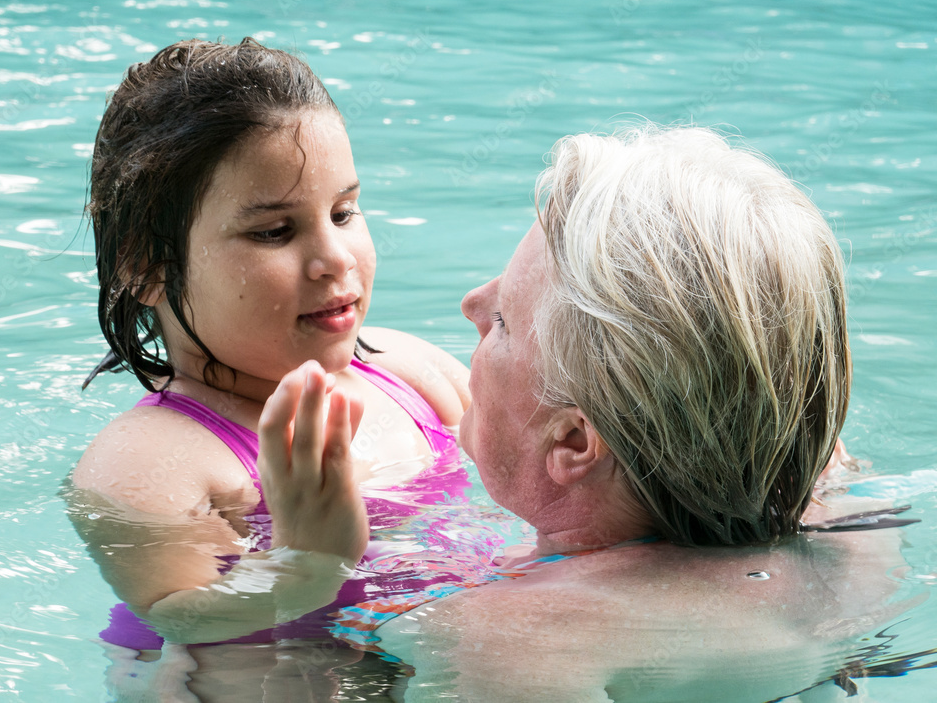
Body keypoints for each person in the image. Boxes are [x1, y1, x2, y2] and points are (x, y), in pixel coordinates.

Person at [264, 125, 914, 700]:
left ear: (574, 441)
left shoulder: (518, 641)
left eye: (502, 323)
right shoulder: (856, 529)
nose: (470, 303)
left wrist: (310, 579)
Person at [65, 37, 479, 665]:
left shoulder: (415, 375)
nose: (335, 258)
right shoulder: (153, 463)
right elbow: (185, 619)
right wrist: (307, 565)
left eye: (343, 213)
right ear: (145, 268)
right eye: (274, 231)